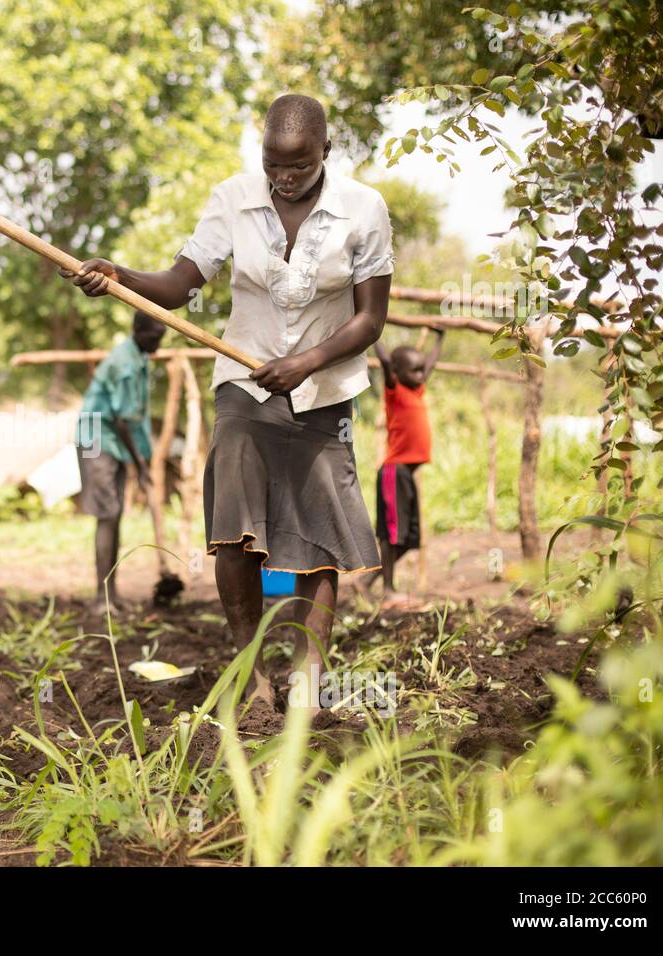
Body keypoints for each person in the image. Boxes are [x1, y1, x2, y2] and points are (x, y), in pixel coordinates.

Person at [59, 93, 394, 709]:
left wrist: (306, 363)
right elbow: (181, 285)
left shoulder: (364, 209)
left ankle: (308, 680)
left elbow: (371, 320)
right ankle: (251, 671)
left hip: (325, 394)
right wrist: (121, 277)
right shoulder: (233, 199)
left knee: (318, 536)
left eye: (298, 166)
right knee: (235, 528)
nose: (283, 178)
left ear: (327, 151)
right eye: (273, 164)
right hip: (246, 385)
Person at [75, 309, 166, 611]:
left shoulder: (140, 357)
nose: (159, 345)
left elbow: (135, 417)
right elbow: (125, 421)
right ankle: (103, 599)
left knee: (113, 515)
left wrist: (145, 459)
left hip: (110, 437)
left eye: (162, 338)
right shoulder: (126, 364)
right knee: (107, 513)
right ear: (138, 331)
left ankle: (111, 594)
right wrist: (139, 464)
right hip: (94, 437)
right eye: (154, 338)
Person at [369, 330, 444, 608]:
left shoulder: (417, 389)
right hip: (393, 471)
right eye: (414, 370)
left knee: (409, 537)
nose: (421, 375)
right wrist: (373, 328)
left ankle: (368, 582)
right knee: (391, 534)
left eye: (421, 370)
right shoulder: (395, 391)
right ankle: (388, 589)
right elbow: (386, 362)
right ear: (398, 372)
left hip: (407, 474)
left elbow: (430, 365)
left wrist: (440, 339)